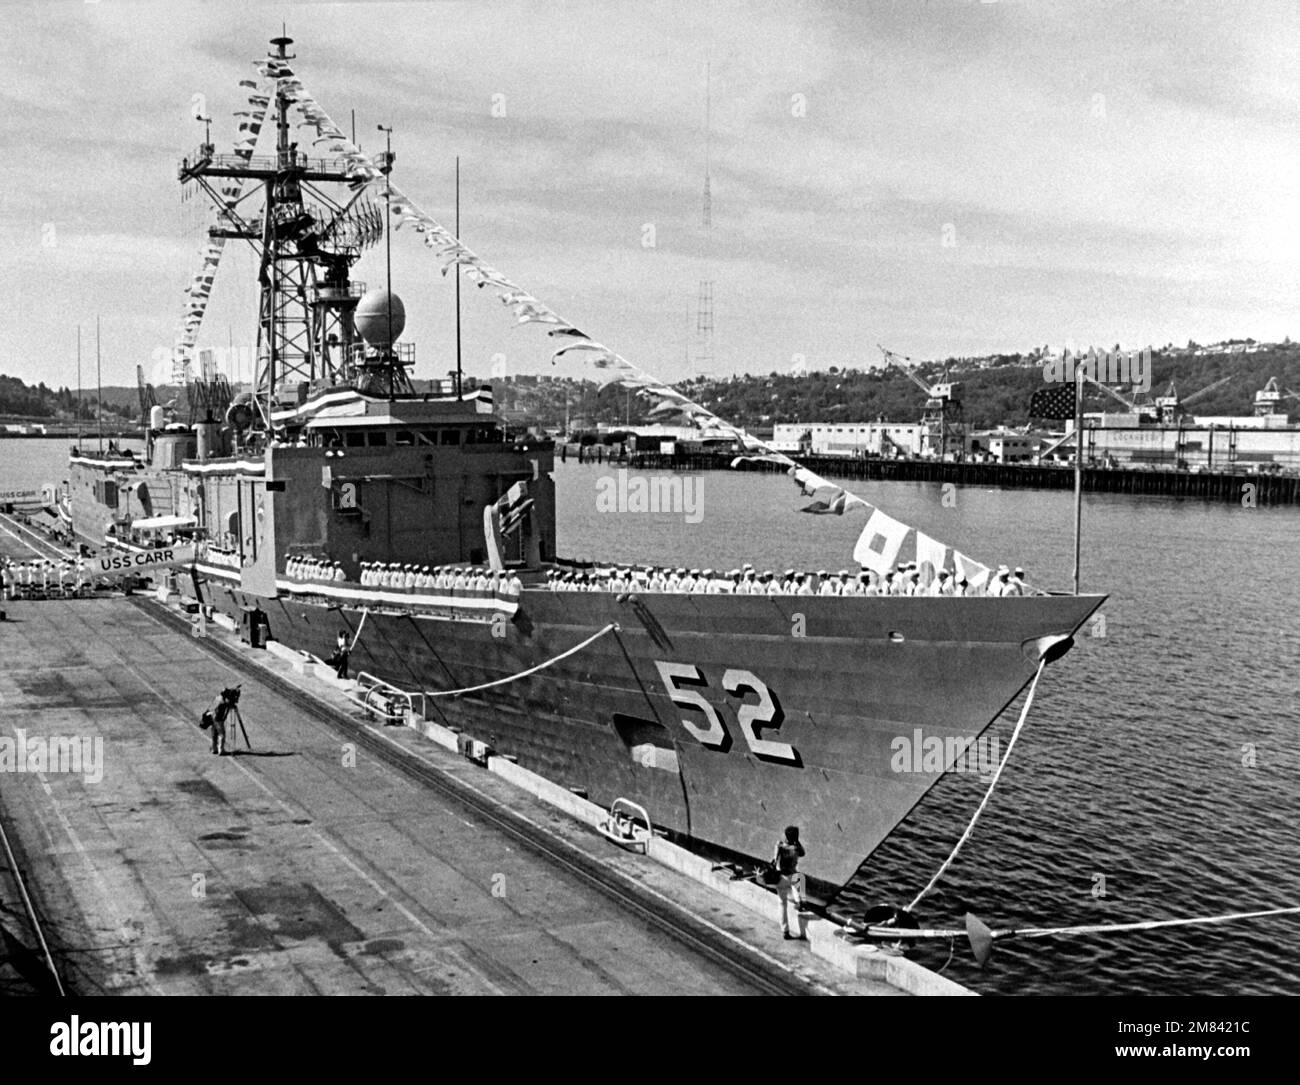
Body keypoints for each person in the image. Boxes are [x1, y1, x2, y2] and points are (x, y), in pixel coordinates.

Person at [774, 825, 806, 940]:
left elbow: (773, 859)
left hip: (781, 877)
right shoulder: (796, 849)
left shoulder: (780, 846)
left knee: (782, 904)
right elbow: (803, 853)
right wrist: (797, 841)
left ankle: (785, 931)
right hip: (792, 875)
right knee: (799, 879)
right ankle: (799, 901)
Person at [201, 687, 239, 756]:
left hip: (213, 717)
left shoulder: (218, 698)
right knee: (221, 734)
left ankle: (214, 748)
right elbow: (228, 703)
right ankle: (221, 750)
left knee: (214, 733)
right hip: (218, 719)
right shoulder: (223, 702)